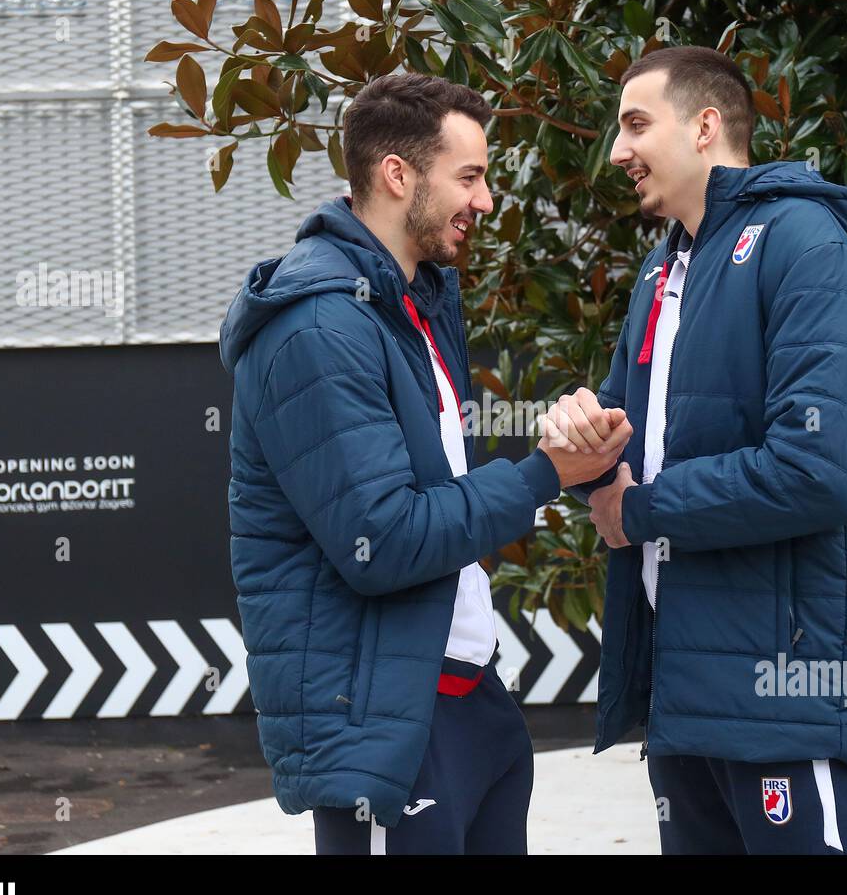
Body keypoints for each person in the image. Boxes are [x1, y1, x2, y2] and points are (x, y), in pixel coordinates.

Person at [218, 73, 629, 854]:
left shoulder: (416, 303)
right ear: (397, 175)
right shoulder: (316, 329)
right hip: (392, 727)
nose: (485, 201)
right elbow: (386, 541)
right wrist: (545, 474)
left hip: (471, 700)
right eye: (469, 178)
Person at [551, 45, 847, 854]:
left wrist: (636, 510)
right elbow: (620, 438)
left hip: (783, 692)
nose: (617, 151)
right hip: (685, 691)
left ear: (706, 127)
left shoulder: (803, 239)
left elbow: (821, 468)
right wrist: (579, 436)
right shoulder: (663, 267)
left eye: (636, 124)